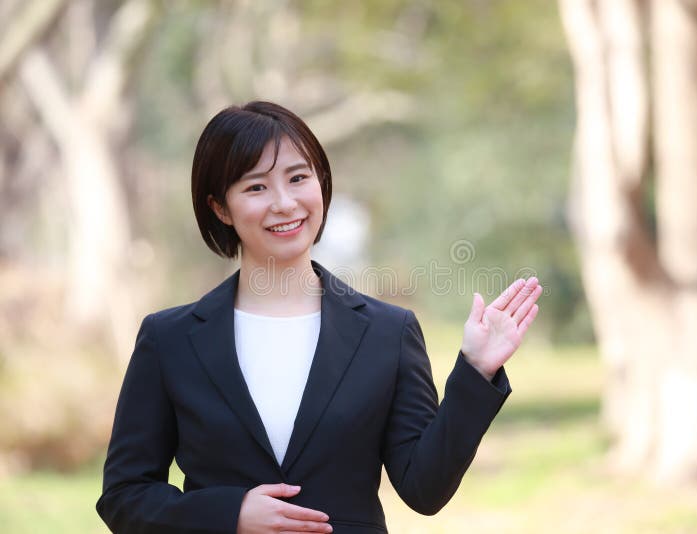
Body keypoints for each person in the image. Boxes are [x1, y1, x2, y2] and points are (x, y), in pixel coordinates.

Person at [96, 101, 542, 534]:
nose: (285, 203)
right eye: (256, 187)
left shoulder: (388, 333)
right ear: (220, 208)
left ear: (321, 183)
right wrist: (230, 514)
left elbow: (424, 489)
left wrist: (476, 372)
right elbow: (124, 495)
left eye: (298, 177)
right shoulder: (169, 339)